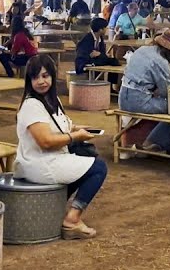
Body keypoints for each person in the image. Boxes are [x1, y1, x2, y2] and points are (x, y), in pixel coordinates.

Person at [14, 55, 107, 239]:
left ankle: (53, 209)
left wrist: (79, 129)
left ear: (53, 76)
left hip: (51, 159)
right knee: (98, 168)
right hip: (39, 163)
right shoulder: (32, 105)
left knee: (87, 163)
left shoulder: (52, 99)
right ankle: (72, 219)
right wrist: (75, 137)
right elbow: (46, 141)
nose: (41, 81)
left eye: (45, 76)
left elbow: (61, 127)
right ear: (29, 80)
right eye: (35, 77)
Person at [117, 29, 170, 154]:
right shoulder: (160, 61)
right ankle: (154, 142)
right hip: (139, 101)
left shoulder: (142, 50)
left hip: (123, 96)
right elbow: (167, 92)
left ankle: (161, 141)